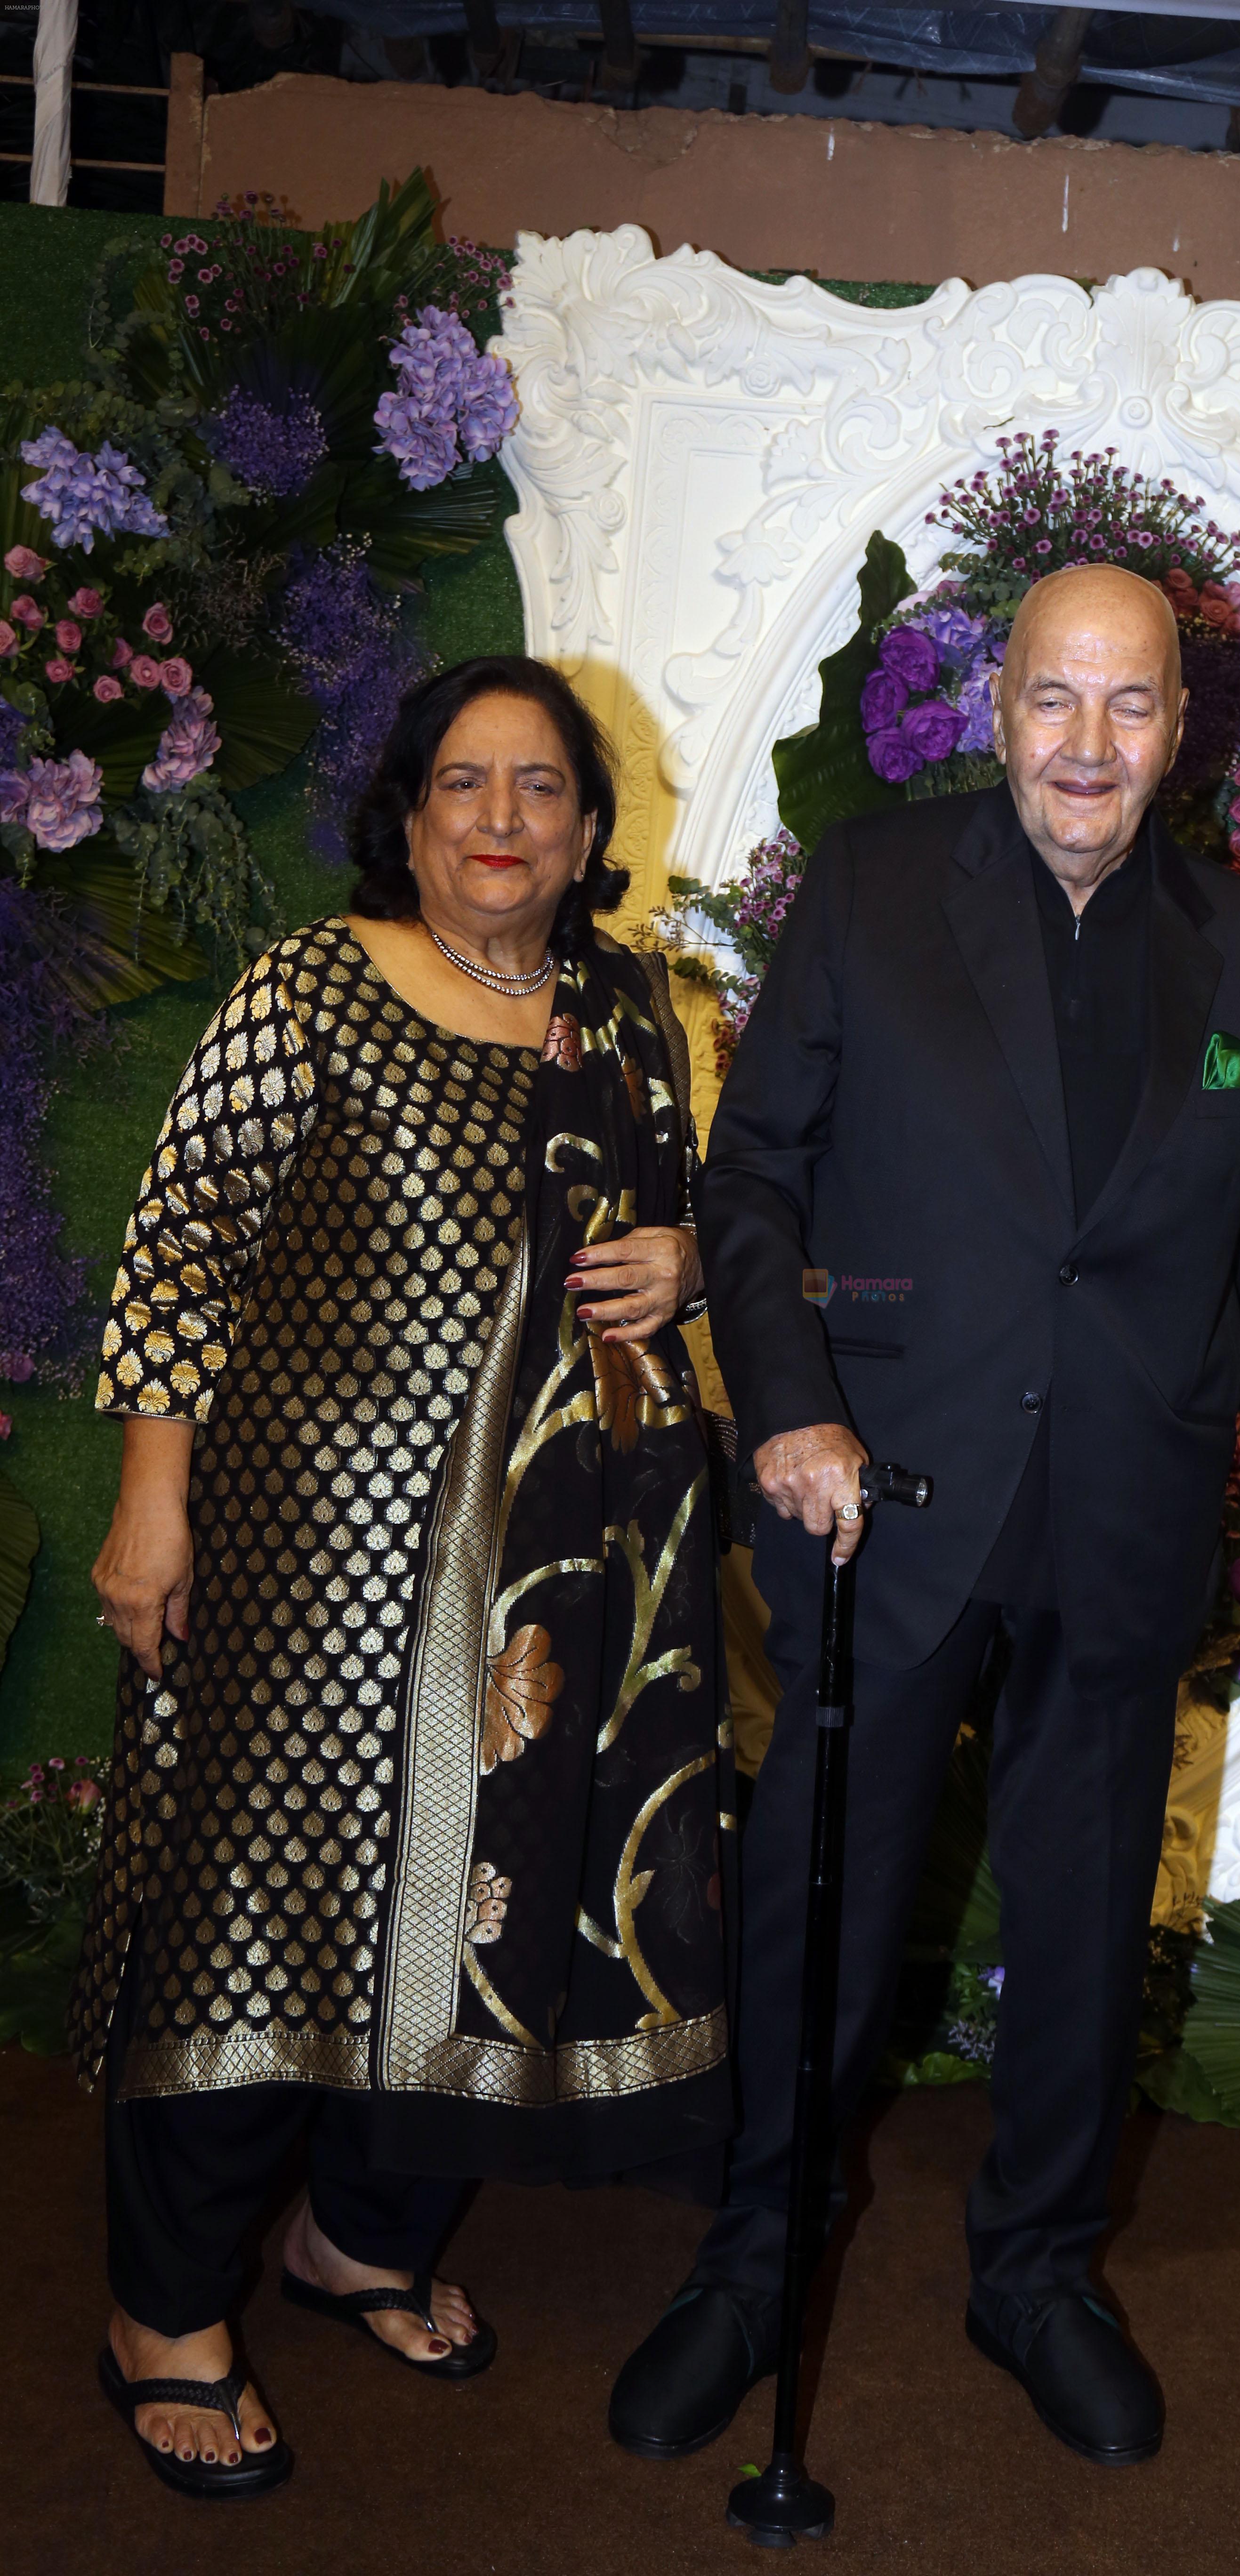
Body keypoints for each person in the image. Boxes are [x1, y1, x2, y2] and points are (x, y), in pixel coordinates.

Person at [611, 564, 1240, 2468]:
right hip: (879, 1498)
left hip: (1118, 1514)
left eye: (1130, 707)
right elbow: (756, 1177)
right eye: (1056, 700)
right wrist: (784, 1406)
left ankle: (1035, 2270)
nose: (1089, 746)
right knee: (823, 1912)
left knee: (1090, 1921)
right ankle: (751, 2261)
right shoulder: (870, 890)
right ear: (999, 703)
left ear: (1179, 731)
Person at [76, 655, 732, 2496]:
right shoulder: (313, 986)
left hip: (552, 1585)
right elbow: (181, 1248)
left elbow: (708, 1234)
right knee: (257, 1917)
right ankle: (163, 2308)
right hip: (307, 1569)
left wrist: (685, 1263)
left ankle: (357, 2240)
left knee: (486, 1922)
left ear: (591, 828)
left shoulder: (633, 1014)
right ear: (411, 811)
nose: (505, 820)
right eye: (467, 783)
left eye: (541, 788)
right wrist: (153, 1502)